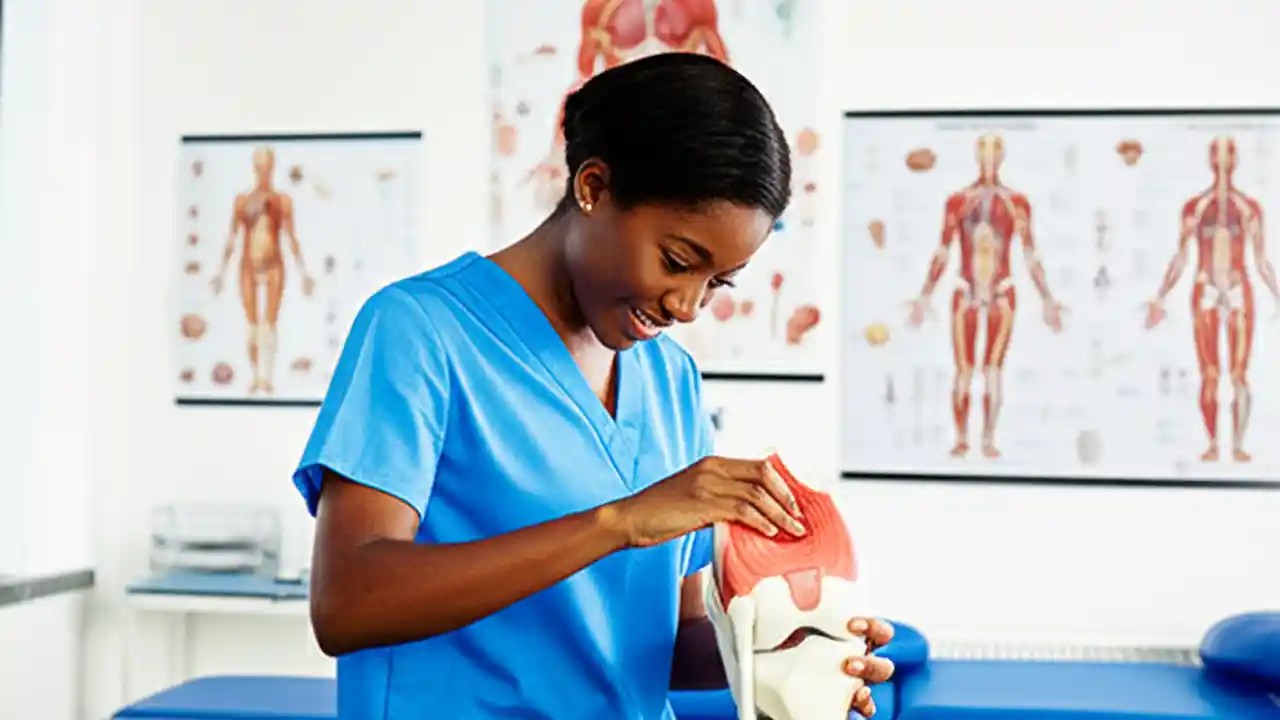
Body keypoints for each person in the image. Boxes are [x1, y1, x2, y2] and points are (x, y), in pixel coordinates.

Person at [292, 53, 895, 719]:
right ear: (594, 186)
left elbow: (658, 644)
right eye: (677, 261)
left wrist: (788, 653)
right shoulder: (420, 332)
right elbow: (347, 603)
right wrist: (620, 522)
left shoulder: (671, 380)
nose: (689, 307)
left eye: (718, 282)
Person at [906, 133, 1065, 459]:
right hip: (965, 289)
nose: (990, 157)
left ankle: (988, 438)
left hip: (1001, 291)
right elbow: (943, 251)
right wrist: (924, 296)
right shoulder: (959, 201)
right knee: (965, 369)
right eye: (985, 150)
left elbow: (1030, 253)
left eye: (995, 150)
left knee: (992, 369)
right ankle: (963, 438)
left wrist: (1047, 298)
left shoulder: (1015, 202)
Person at [1144, 135, 1279, 462]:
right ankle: (1213, 444)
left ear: (1234, 162)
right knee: (1209, 372)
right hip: (1204, 288)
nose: (1221, 163)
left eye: (1226, 156)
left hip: (1237, 289)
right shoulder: (1194, 207)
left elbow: (1261, 260)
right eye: (1216, 156)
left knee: (1238, 373)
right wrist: (1161, 296)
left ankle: (1238, 443)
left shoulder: (1249, 208)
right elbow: (1181, 257)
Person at [211, 146, 316, 395]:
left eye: (267, 164)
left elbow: (291, 236)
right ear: (254, 168)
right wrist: (221, 273)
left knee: (269, 323)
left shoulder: (281, 201)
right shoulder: (243, 200)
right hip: (248, 264)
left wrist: (304, 273)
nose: (264, 169)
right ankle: (255, 376)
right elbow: (232, 237)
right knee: (252, 323)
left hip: (274, 264)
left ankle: (266, 377)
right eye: (260, 164)